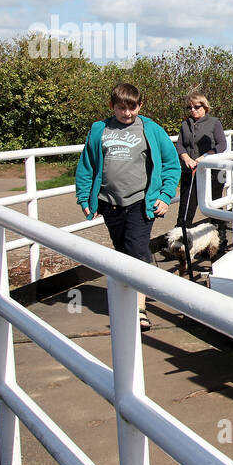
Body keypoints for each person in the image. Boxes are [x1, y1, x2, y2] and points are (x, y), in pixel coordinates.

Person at [75, 83, 181, 331]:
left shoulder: (151, 129)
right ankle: (143, 281)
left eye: (132, 107)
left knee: (134, 250)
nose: (127, 113)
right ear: (112, 106)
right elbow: (87, 166)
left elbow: (171, 164)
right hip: (110, 203)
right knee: (124, 250)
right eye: (121, 108)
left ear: (139, 106)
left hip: (140, 203)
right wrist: (84, 198)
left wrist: (165, 196)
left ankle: (139, 309)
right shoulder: (99, 129)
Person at [176, 91, 229, 252]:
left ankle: (219, 242)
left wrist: (204, 157)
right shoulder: (185, 125)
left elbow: (221, 144)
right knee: (186, 208)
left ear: (204, 107)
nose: (192, 110)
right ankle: (181, 242)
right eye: (189, 107)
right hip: (190, 172)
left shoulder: (214, 123)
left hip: (211, 173)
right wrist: (186, 158)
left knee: (214, 207)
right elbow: (180, 145)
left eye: (196, 107)